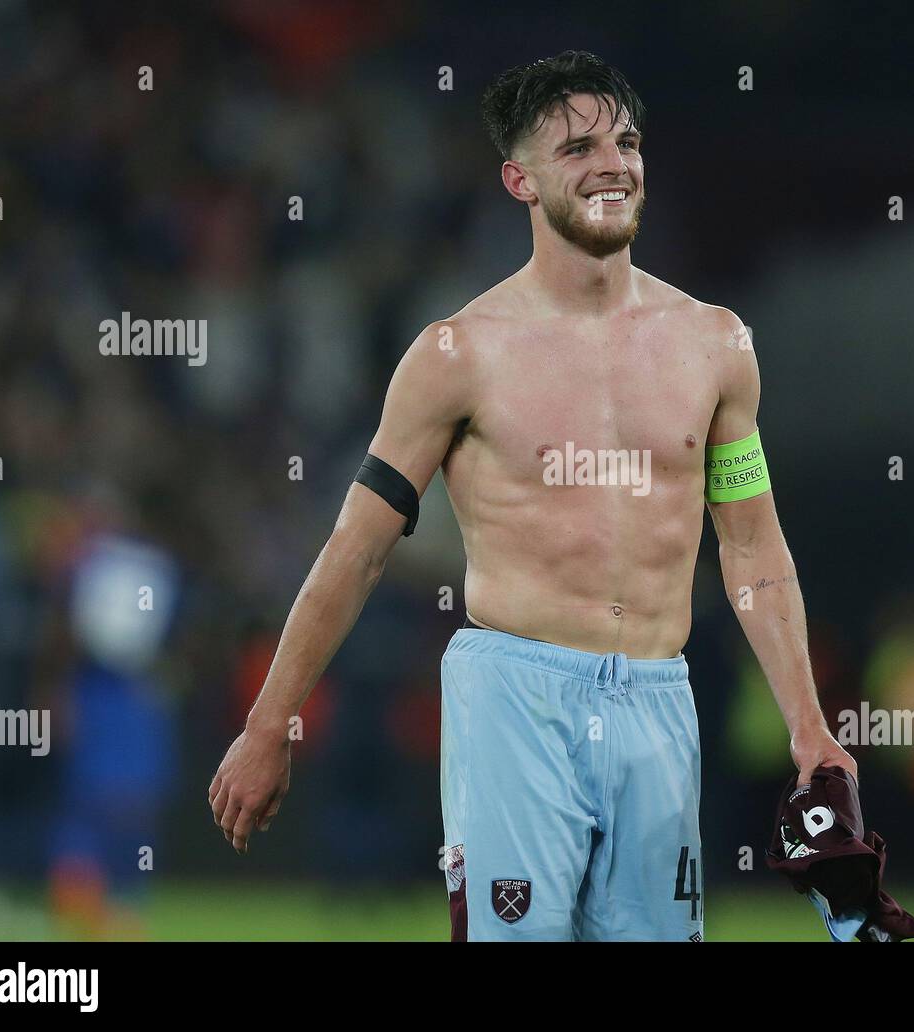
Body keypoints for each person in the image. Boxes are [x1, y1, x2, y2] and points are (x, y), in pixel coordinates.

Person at [208, 50, 855, 941]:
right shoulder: (456, 356)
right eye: (578, 147)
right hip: (515, 696)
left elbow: (751, 547)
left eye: (626, 141)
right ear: (520, 180)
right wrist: (269, 721)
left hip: (661, 697)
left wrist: (809, 733)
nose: (612, 164)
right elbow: (355, 549)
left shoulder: (716, 345)